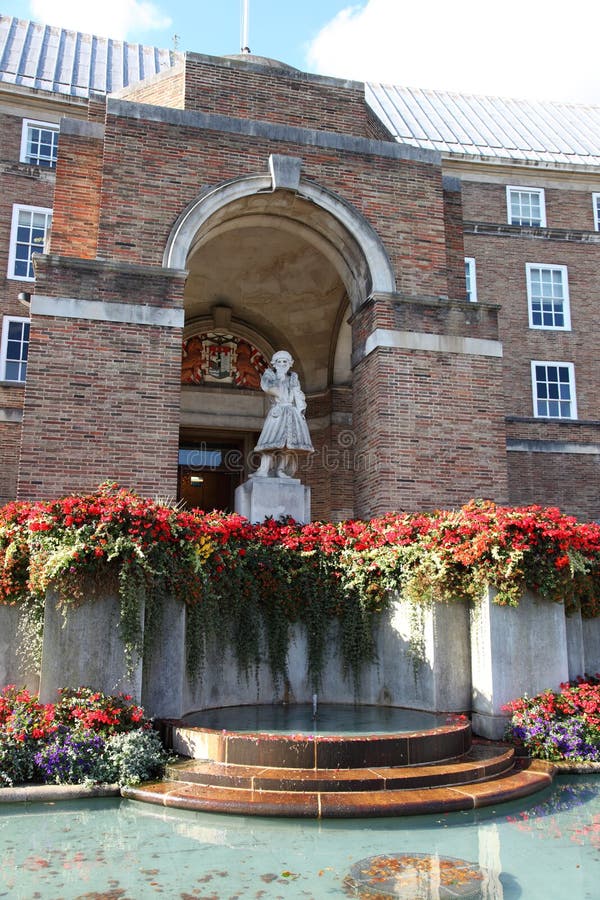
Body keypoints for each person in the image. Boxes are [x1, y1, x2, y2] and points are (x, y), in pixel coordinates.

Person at [253, 350, 314, 478]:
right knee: (270, 442)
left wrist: (301, 409)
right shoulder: (270, 376)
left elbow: (298, 394)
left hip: (292, 413)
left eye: (285, 361)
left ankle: (281, 470)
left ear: (290, 364)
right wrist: (279, 379)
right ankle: (263, 470)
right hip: (278, 412)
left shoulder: (293, 378)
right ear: (274, 364)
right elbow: (268, 387)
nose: (282, 364)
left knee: (288, 445)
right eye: (279, 362)